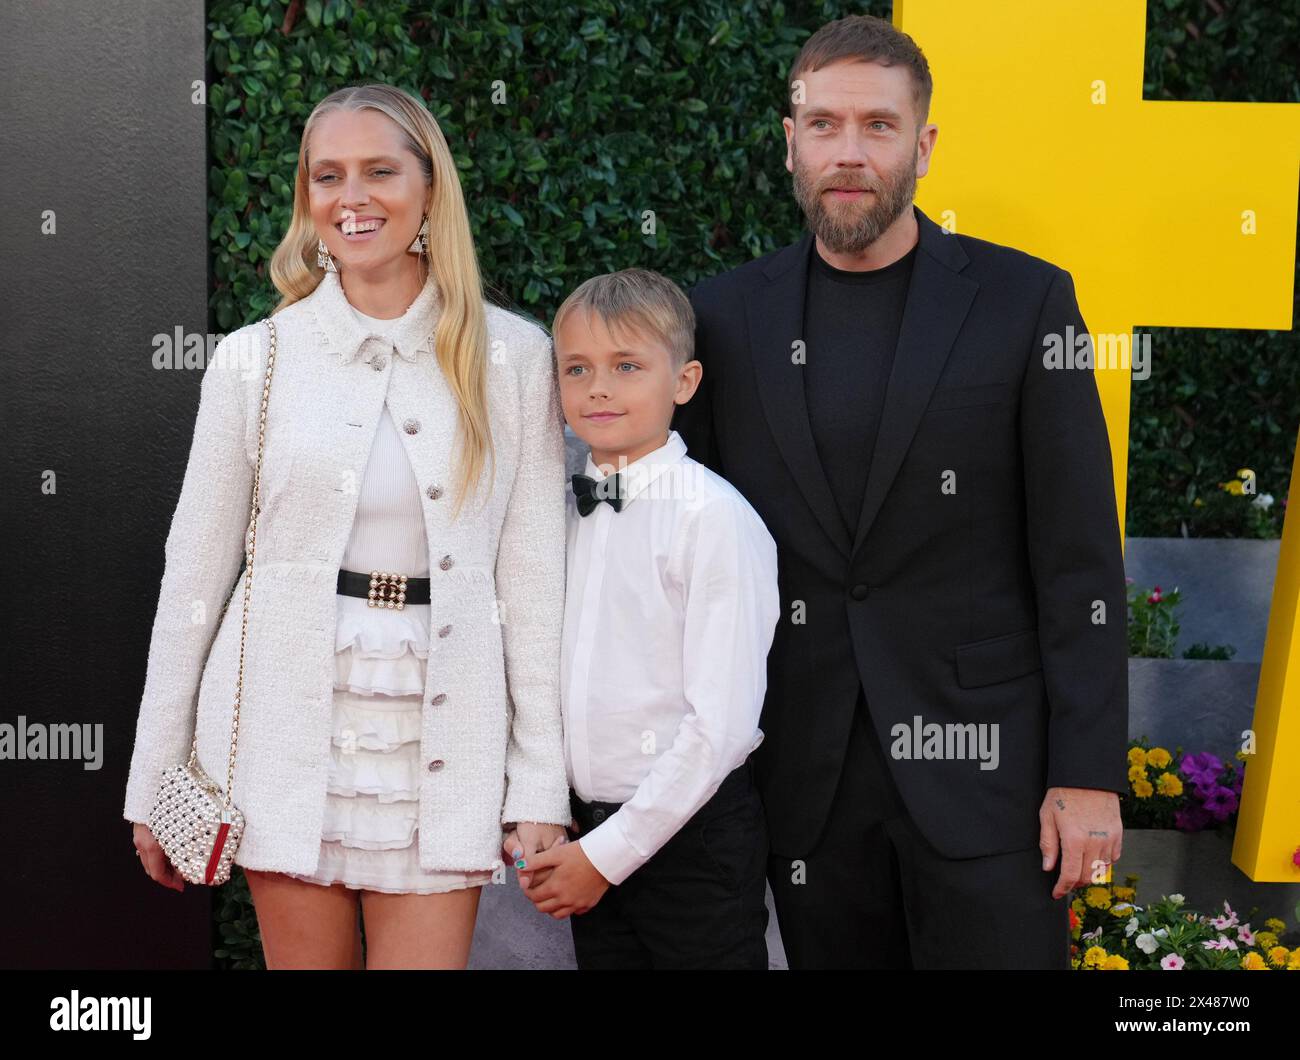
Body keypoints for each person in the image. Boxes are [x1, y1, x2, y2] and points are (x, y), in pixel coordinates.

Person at [671, 14, 1129, 969]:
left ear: (923, 147)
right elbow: (686, 548)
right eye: (825, 124)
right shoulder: (720, 316)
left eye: (878, 126)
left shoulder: (1026, 302)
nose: (849, 152)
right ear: (789, 140)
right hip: (807, 778)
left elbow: (1079, 553)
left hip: (993, 780)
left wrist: (1087, 775)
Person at [123, 83, 571, 969]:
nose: (351, 197)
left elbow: (533, 585)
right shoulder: (254, 358)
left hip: (445, 742)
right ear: (307, 198)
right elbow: (193, 580)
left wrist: (540, 783)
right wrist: (152, 778)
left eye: (379, 171)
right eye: (327, 176)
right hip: (280, 739)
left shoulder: (515, 358)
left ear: (430, 190)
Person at [511, 269, 780, 969]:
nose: (598, 387)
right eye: (577, 368)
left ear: (684, 381)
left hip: (693, 842)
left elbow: (720, 727)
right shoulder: (558, 514)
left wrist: (606, 857)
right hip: (584, 827)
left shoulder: (713, 519)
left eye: (627, 366)